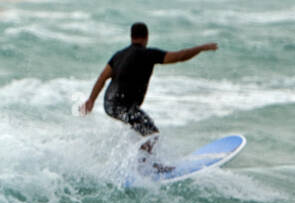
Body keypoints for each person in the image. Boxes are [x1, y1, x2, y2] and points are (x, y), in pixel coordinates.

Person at [80, 22, 217, 152]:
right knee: (152, 135)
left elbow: (102, 78)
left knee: (142, 129)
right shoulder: (148, 54)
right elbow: (179, 56)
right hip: (123, 106)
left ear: (131, 37)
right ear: (147, 37)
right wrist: (201, 48)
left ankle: (138, 159)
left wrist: (91, 100)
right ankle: (148, 165)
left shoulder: (118, 55)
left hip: (109, 105)